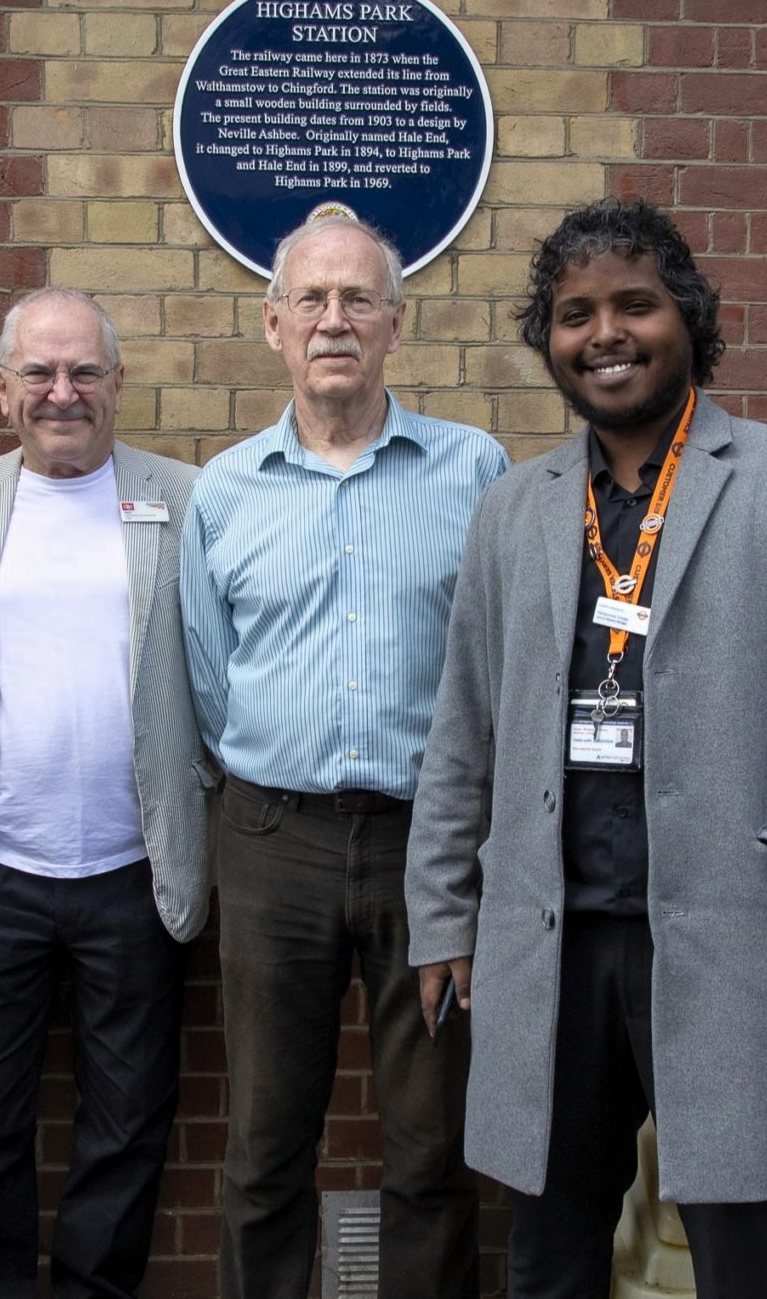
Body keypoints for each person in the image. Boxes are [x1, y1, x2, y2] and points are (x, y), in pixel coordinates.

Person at [406, 198, 767, 1298]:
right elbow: (461, 734)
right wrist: (441, 919)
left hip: (738, 939)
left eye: (632, 305)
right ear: (547, 341)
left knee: (744, 1254)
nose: (603, 333)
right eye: (572, 314)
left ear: (685, 319)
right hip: (549, 944)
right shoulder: (513, 509)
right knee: (548, 1251)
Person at [180, 213, 505, 1299]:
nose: (333, 321)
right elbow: (208, 674)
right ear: (272, 326)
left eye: (356, 299)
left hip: (429, 842)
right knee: (266, 1143)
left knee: (428, 1143)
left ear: (394, 326)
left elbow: (499, 668)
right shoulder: (222, 494)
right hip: (273, 841)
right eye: (310, 302)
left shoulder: (474, 474)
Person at [0, 288, 210, 1298]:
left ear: (117, 385)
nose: (61, 393)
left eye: (83, 372)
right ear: (1, 389)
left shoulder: (185, 498)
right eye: (38, 374)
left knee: (127, 1121)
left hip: (134, 871)